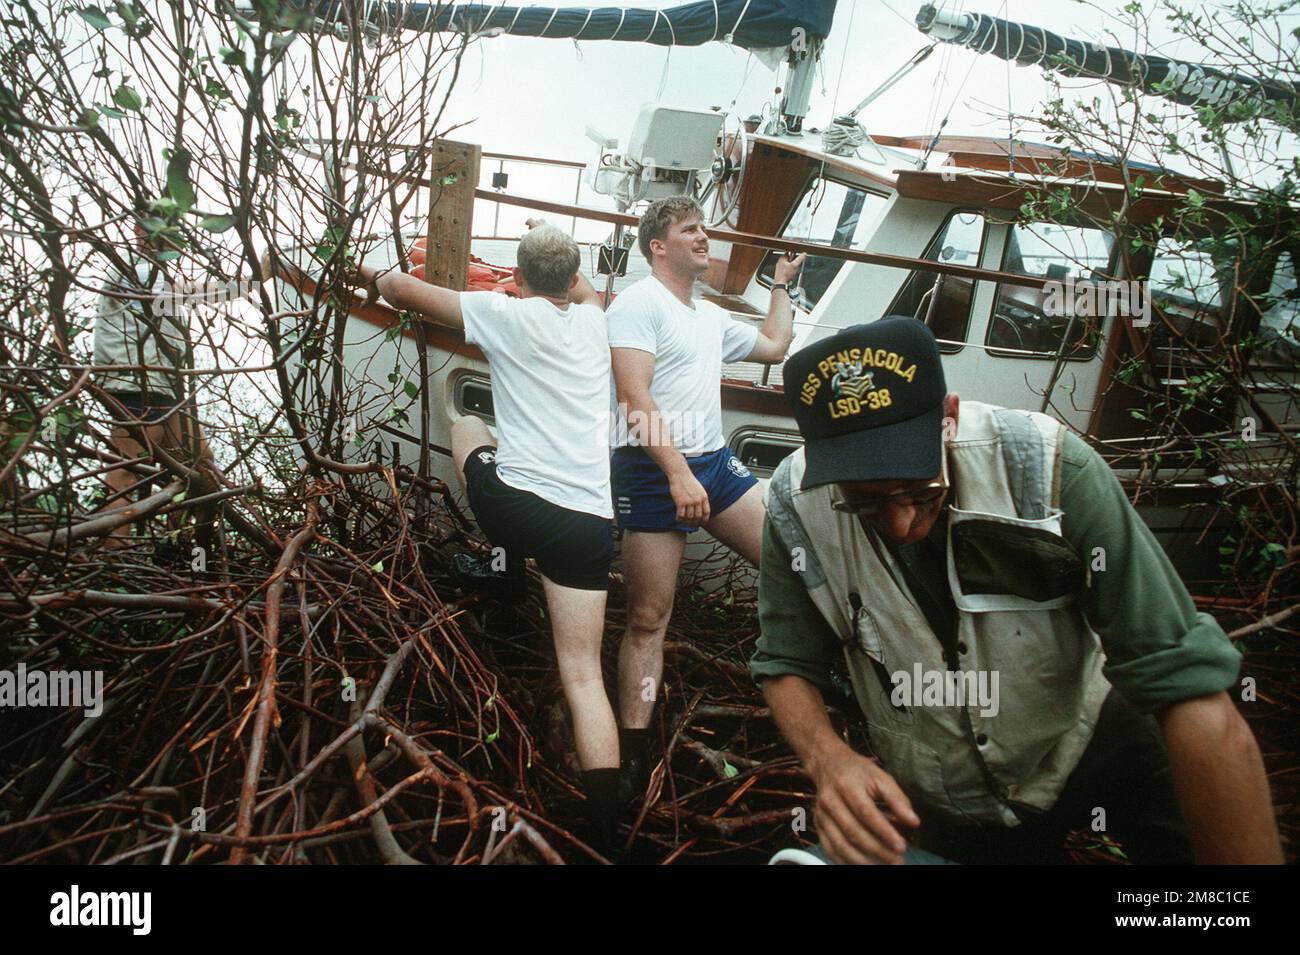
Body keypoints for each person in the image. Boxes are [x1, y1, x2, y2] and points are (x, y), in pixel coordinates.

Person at [751, 315, 1283, 865]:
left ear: (948, 419)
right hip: (949, 784)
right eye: (864, 501)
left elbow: (1183, 683)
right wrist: (827, 759)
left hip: (1094, 730)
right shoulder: (796, 504)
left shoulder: (1051, 466)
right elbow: (784, 660)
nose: (901, 523)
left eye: (920, 490)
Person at [358, 224, 624, 855]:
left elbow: (402, 290)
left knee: (473, 426)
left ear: (520, 280)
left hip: (517, 511)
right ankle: (609, 838)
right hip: (588, 525)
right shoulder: (594, 322)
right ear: (572, 278)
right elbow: (580, 289)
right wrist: (550, 263)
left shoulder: (499, 313)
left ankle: (503, 573)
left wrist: (373, 278)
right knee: (584, 675)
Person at [607, 195, 804, 798]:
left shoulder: (709, 314)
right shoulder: (638, 303)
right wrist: (676, 474)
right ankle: (632, 750)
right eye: (690, 230)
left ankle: (815, 687)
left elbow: (775, 345)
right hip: (652, 470)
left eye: (704, 227)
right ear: (657, 247)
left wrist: (780, 284)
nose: (703, 236)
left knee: (793, 566)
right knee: (648, 617)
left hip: (715, 467)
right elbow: (635, 400)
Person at [92, 223, 217, 546]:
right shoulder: (137, 269)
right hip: (136, 385)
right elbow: (183, 295)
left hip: (163, 389)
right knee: (126, 477)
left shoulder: (154, 271)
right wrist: (255, 279)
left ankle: (188, 549)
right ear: (138, 229)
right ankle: (113, 572)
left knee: (201, 464)